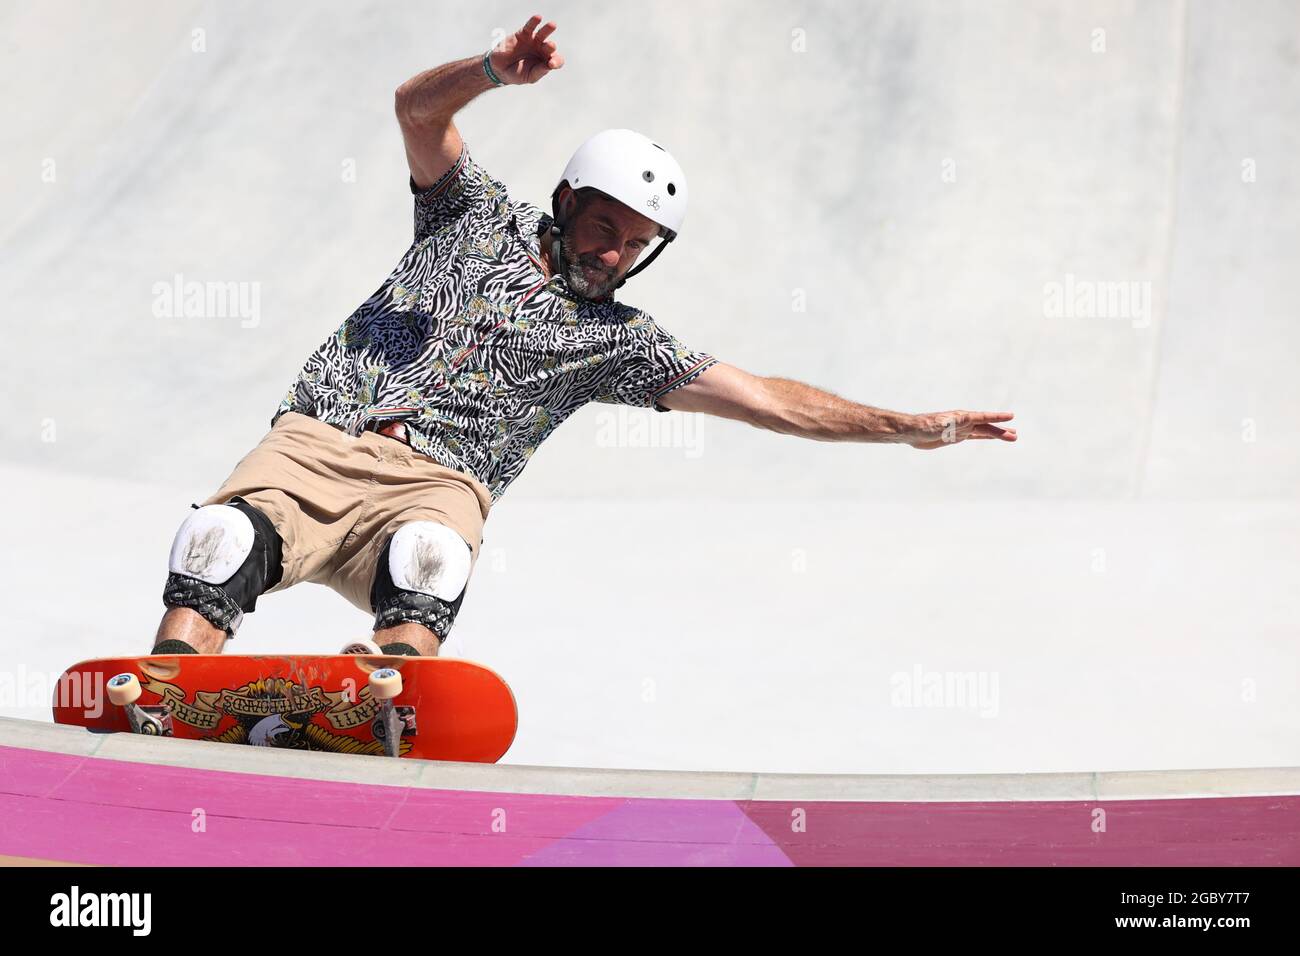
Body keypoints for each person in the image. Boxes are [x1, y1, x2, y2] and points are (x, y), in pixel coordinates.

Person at [154, 15, 1017, 660]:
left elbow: (767, 401)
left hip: (437, 486)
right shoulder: (472, 217)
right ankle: (171, 681)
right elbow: (415, 112)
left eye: (635, 246)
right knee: (219, 541)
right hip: (320, 439)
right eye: (605, 228)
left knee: (432, 556)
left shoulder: (621, 341)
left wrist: (909, 425)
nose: (614, 255)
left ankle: (387, 693)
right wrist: (492, 70)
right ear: (565, 202)